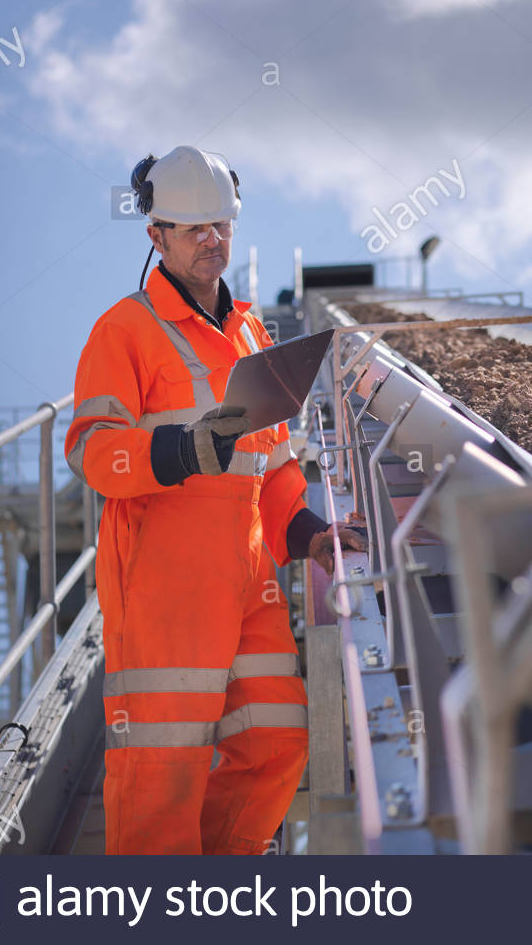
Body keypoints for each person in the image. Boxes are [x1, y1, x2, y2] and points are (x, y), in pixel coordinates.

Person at [64, 145, 364, 855]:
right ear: (156, 237)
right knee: (161, 770)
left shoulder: (252, 331)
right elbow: (91, 450)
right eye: (193, 228)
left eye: (220, 226)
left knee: (279, 742)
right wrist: (176, 450)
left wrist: (309, 532)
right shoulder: (124, 330)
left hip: (249, 581)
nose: (211, 240)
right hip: (163, 587)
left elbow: (276, 462)